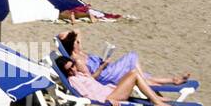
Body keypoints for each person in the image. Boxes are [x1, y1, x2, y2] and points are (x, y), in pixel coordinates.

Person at [59, 31, 190, 90]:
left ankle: (173, 80)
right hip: (105, 75)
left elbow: (77, 31)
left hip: (107, 69)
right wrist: (102, 66)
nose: (78, 41)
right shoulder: (78, 61)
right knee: (132, 57)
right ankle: (150, 82)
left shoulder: (79, 51)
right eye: (76, 41)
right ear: (72, 45)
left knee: (138, 73)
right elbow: (91, 79)